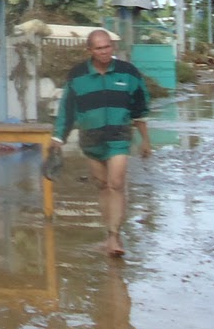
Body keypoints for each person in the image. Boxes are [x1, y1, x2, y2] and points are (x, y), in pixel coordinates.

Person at [50, 28, 151, 258]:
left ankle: (115, 236)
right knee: (102, 185)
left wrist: (145, 140)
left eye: (107, 46)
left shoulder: (128, 73)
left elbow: (140, 108)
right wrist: (57, 140)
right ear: (89, 50)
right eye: (99, 48)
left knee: (116, 183)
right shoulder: (77, 75)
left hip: (119, 136)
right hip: (91, 138)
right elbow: (67, 110)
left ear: (112, 47)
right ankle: (109, 233)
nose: (104, 51)